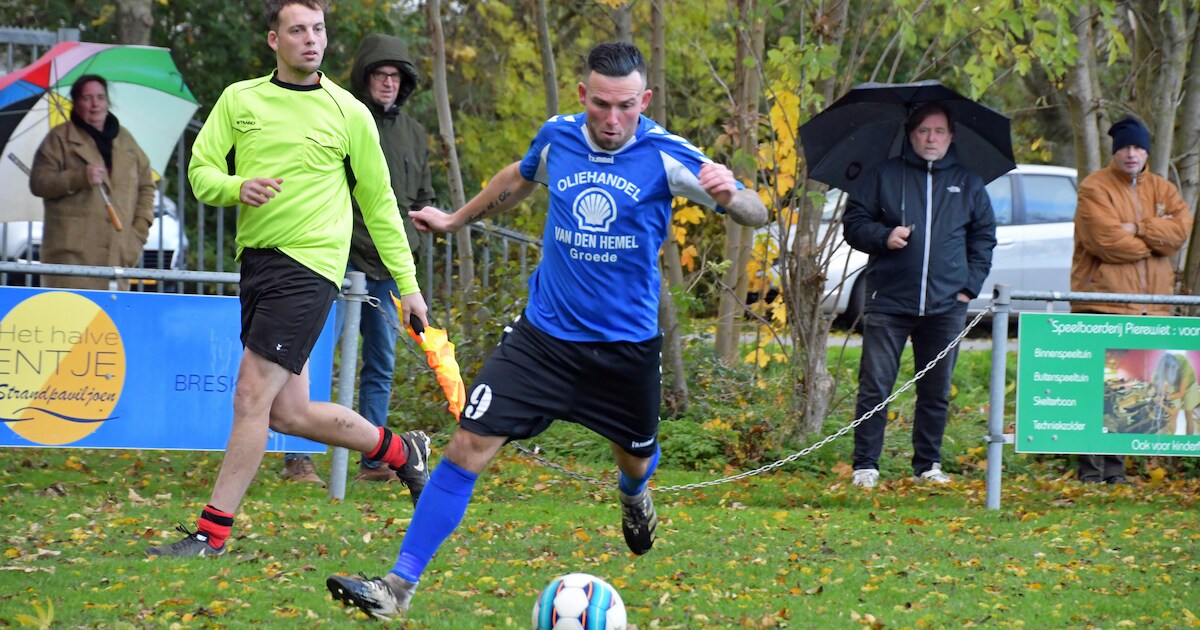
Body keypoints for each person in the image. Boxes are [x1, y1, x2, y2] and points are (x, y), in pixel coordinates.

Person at [324, 41, 768, 619]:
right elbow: (519, 175)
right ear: (583, 95)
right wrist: (457, 218)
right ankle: (396, 588)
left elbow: (757, 212)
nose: (612, 120)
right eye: (601, 105)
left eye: (626, 107)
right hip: (543, 340)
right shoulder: (559, 135)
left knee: (634, 460)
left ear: (645, 100)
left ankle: (635, 495)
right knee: (466, 445)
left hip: (625, 350)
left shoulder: (667, 156)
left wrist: (731, 195)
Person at [146, 0, 432, 558]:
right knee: (288, 412)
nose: (311, 39)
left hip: (310, 266)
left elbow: (380, 206)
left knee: (250, 395)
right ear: (274, 40)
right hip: (258, 263)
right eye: (297, 30)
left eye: (318, 29)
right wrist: (236, 187)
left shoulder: (349, 113)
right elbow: (201, 172)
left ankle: (212, 534)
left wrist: (409, 286)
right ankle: (401, 450)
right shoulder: (240, 99)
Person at [281, 33, 436, 488]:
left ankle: (375, 459)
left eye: (395, 76)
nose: (388, 83)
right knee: (310, 356)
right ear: (366, 78)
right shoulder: (341, 118)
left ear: (403, 82)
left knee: (381, 363)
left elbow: (423, 195)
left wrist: (419, 233)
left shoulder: (415, 133)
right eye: (379, 74)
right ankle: (298, 458)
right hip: (338, 259)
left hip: (389, 268)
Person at [843, 101, 997, 489]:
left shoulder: (969, 182)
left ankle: (927, 464)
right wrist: (884, 236)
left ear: (951, 137)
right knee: (876, 386)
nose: (932, 139)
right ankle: (866, 466)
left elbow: (983, 238)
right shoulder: (884, 175)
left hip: (947, 306)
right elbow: (854, 223)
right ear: (911, 135)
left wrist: (968, 288)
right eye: (924, 131)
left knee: (936, 391)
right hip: (889, 301)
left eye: (939, 131)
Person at [1071, 115, 1193, 484]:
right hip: (1102, 304)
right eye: (1125, 147)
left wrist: (1139, 228)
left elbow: (1181, 232)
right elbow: (1107, 242)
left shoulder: (1163, 188)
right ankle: (1090, 472)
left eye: (1138, 147)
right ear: (1115, 151)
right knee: (1096, 392)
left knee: (1129, 390)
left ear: (1147, 152)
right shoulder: (1094, 188)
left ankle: (1116, 471)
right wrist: (1156, 243)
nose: (1131, 154)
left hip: (1147, 307)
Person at [29, 74, 156, 290]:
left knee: (110, 323)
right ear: (76, 102)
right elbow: (39, 182)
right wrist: (79, 177)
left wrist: (137, 234)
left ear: (108, 101)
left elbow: (146, 186)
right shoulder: (59, 139)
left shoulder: (125, 139)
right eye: (87, 98)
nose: (95, 104)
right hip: (71, 258)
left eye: (101, 97)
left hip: (117, 256)